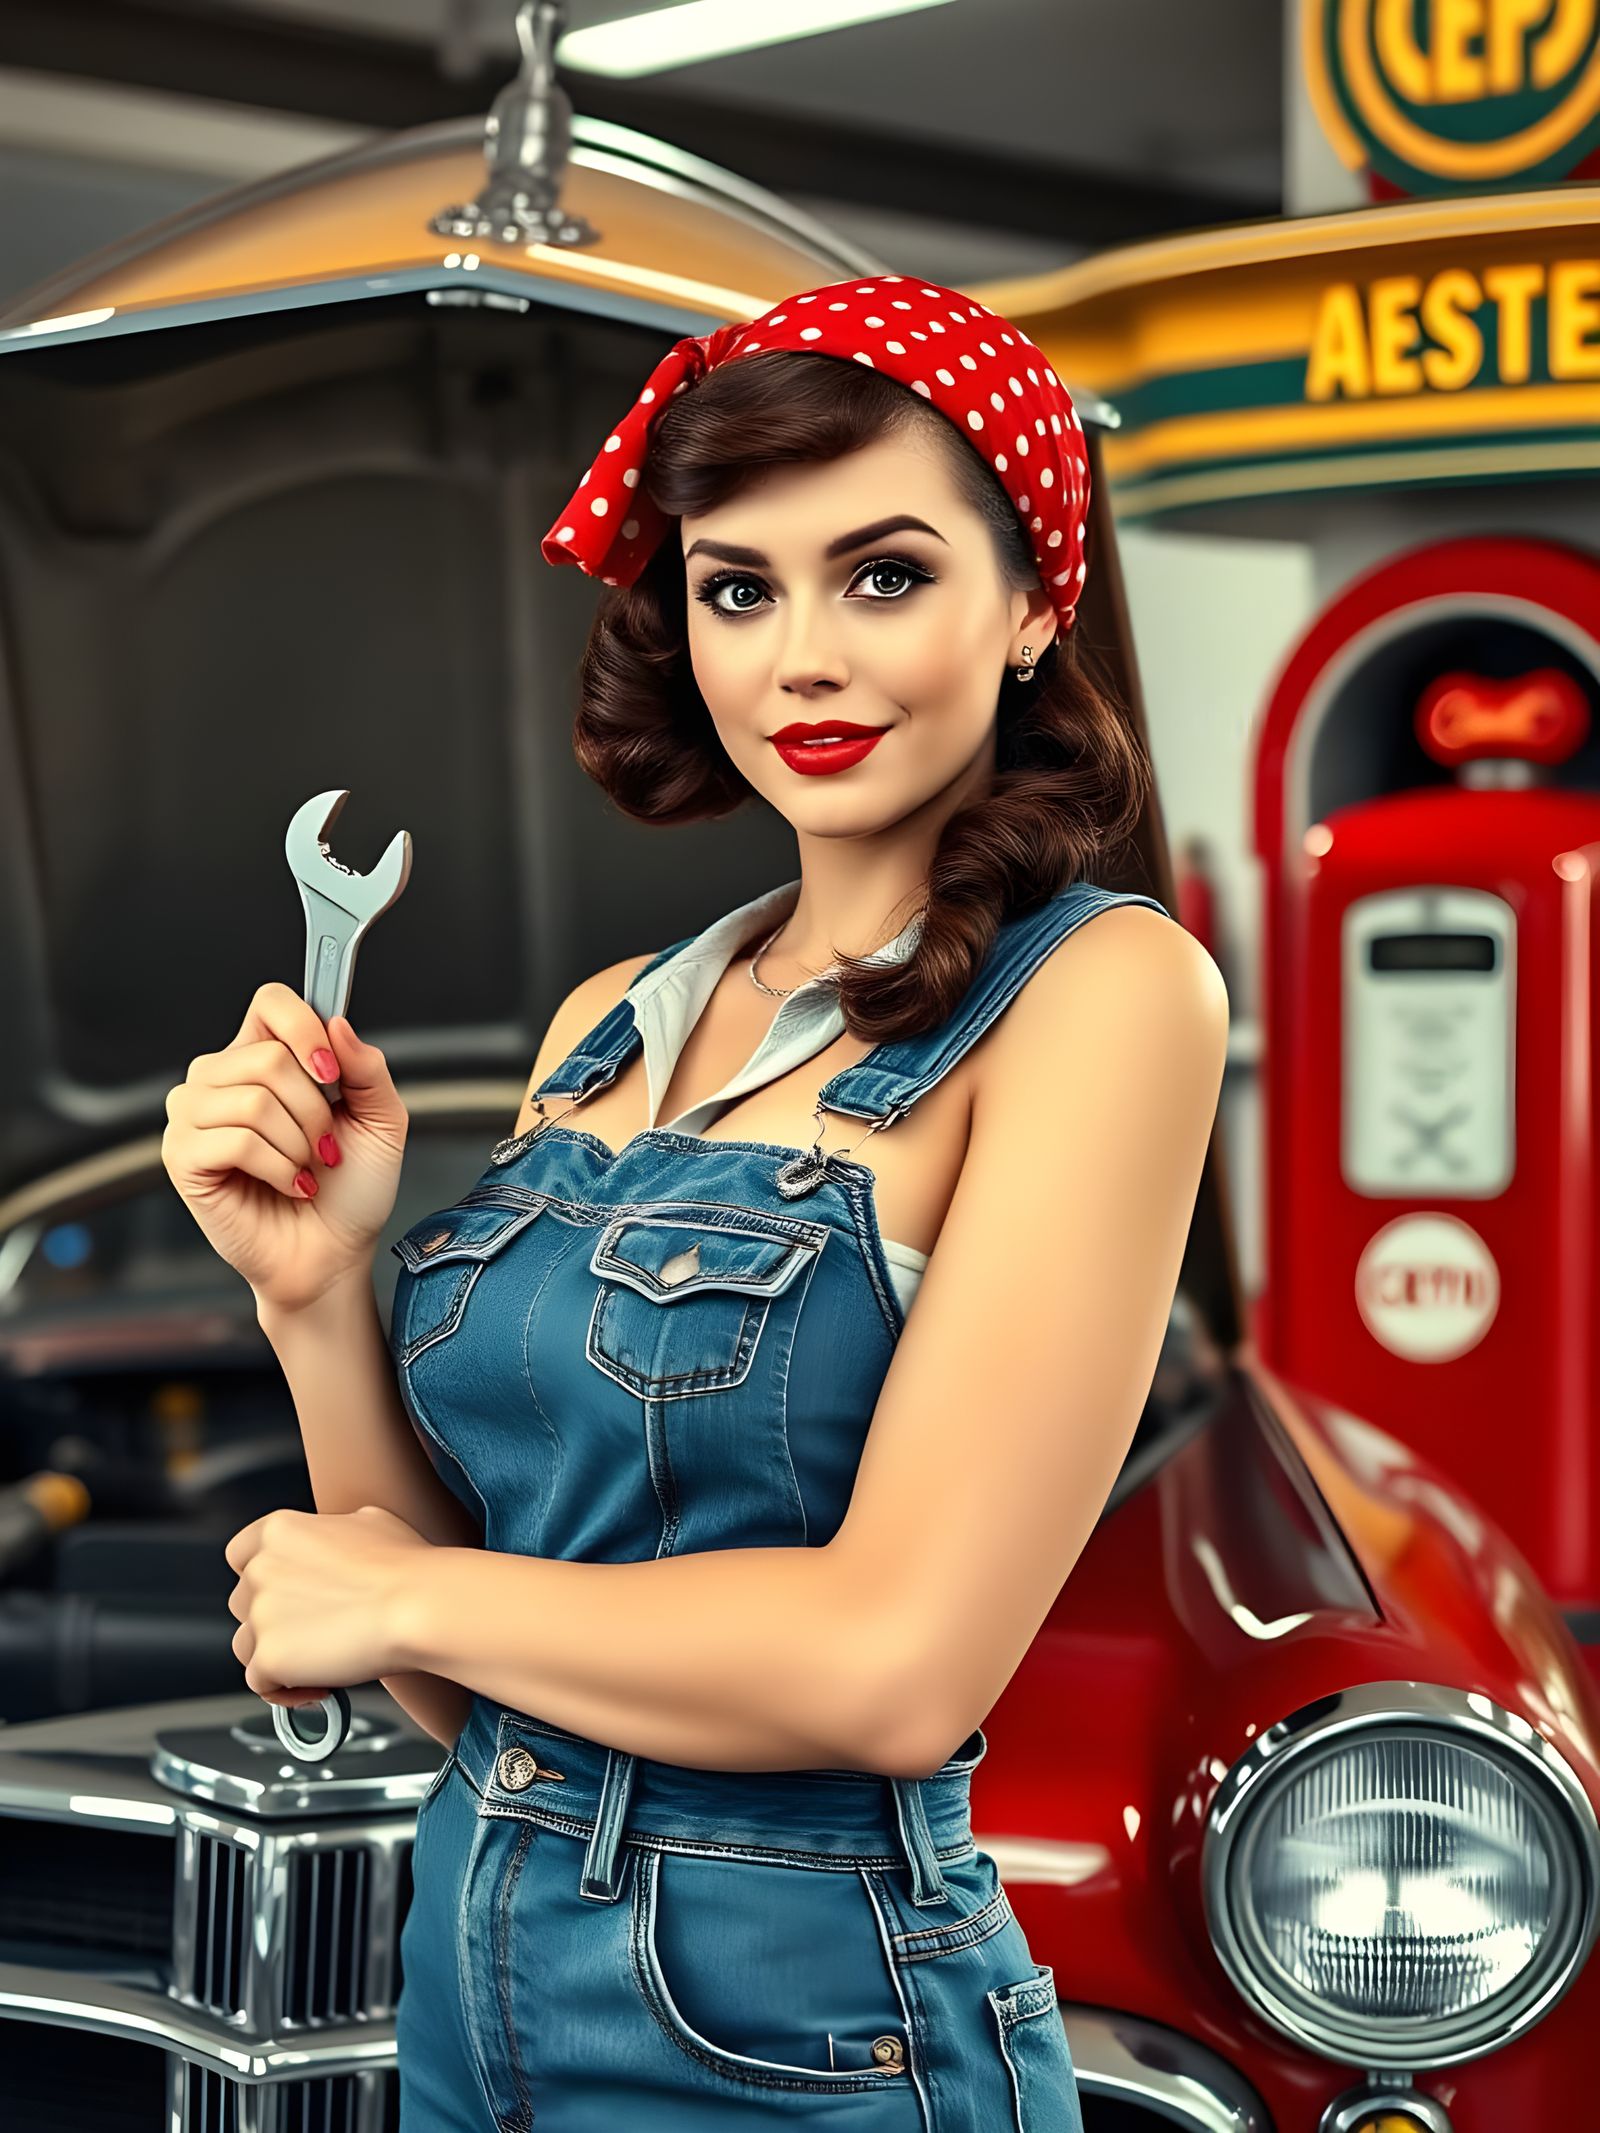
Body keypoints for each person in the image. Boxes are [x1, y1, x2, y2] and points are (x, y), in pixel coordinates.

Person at [162, 273, 1229, 2131]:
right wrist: (318, 1296)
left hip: (804, 2032)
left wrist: (413, 1585)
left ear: (1037, 599)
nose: (800, 657)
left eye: (884, 574)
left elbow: (898, 1666)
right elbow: (467, 1682)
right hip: (471, 1982)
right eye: (739, 586)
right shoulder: (608, 1026)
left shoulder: (1104, 994)